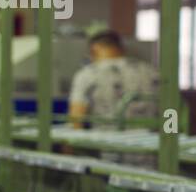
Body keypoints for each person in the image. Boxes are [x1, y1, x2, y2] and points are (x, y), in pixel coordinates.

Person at [68, 28, 159, 167]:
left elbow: (76, 117)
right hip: (148, 154)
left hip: (109, 156)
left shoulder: (88, 75)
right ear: (121, 48)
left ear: (95, 49)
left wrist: (71, 151)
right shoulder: (152, 72)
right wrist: (170, 140)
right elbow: (172, 111)